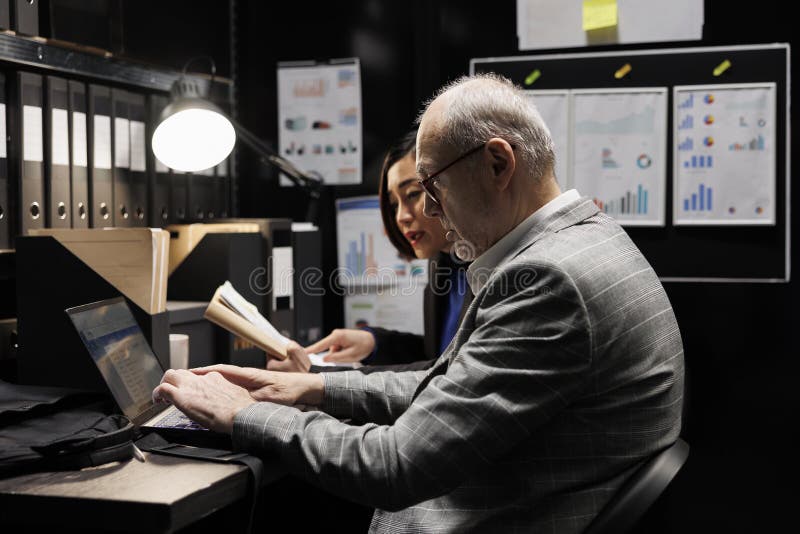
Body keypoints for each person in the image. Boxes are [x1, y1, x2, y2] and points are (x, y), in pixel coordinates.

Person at [154, 73, 685, 533]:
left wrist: (244, 414)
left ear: (498, 163)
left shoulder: (546, 280)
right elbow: (451, 383)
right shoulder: (591, 235)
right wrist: (314, 387)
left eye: (431, 185)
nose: (428, 209)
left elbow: (397, 466)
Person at [293, 129, 472, 373]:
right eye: (393, 204)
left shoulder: (492, 268)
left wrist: (323, 377)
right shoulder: (443, 262)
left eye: (412, 194)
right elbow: (438, 353)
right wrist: (374, 343)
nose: (401, 217)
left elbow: (451, 373)